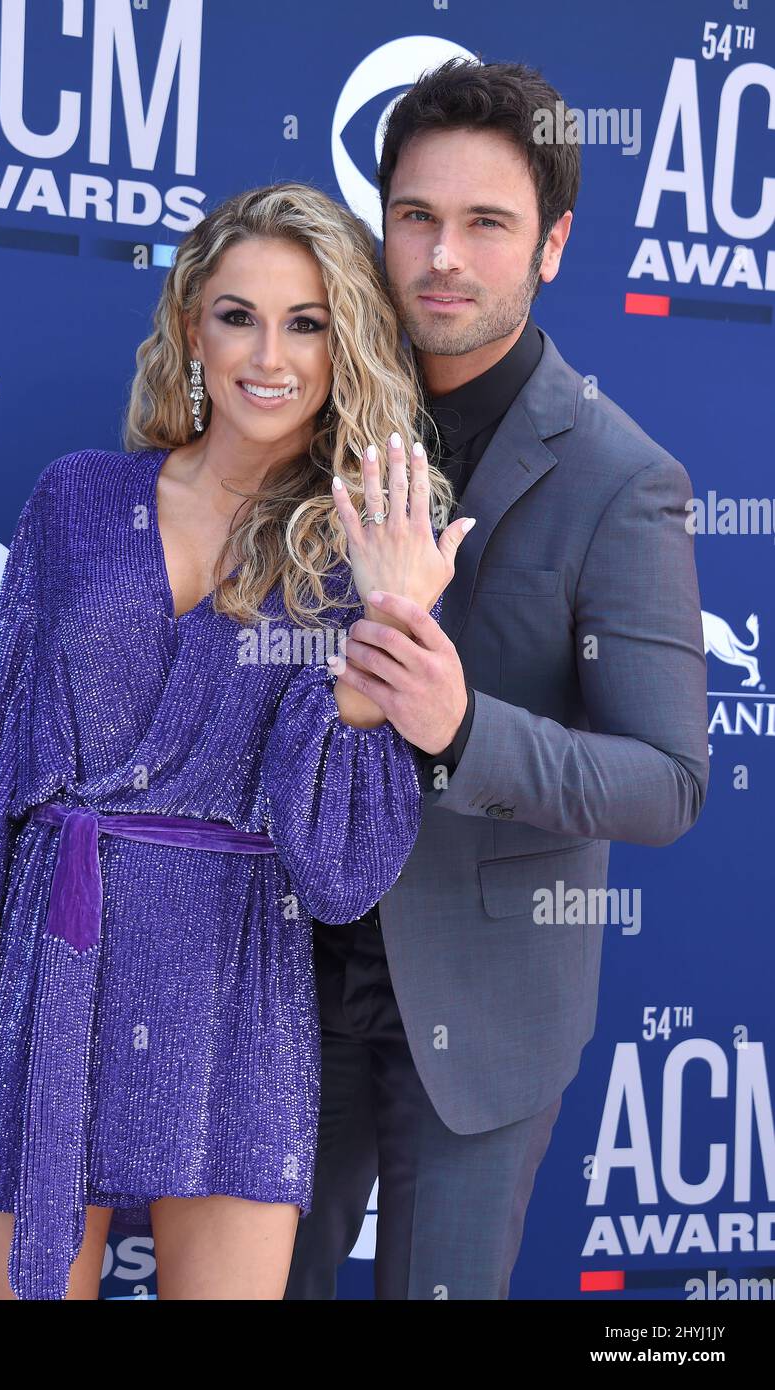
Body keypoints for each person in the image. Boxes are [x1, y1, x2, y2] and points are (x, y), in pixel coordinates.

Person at [0, 182, 474, 1300]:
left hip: (236, 978)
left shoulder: (360, 547)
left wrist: (387, 630)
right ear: (192, 326)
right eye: (237, 315)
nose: (267, 355)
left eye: (306, 321)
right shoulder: (78, 502)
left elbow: (337, 872)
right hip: (59, 956)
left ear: (346, 344)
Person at [285, 59, 709, 1300]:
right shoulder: (310, 413)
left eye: (486, 224)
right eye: (414, 217)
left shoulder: (619, 477)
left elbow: (666, 782)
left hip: (478, 1019)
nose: (440, 258)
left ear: (553, 244)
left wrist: (464, 729)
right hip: (277, 978)